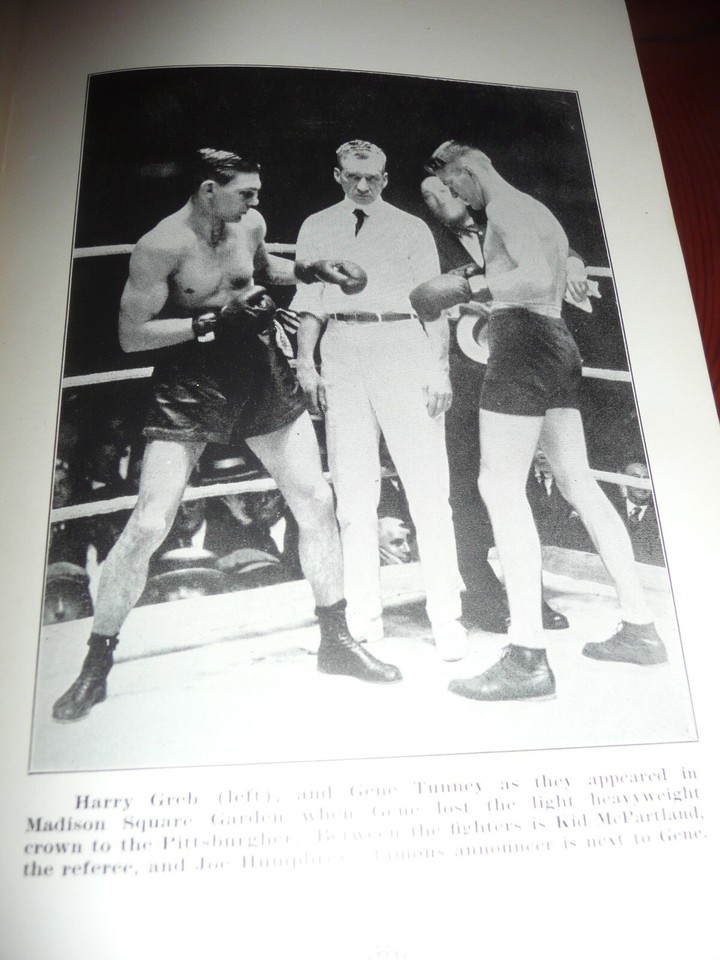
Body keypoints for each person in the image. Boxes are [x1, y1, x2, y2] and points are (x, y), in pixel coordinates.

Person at [52, 148, 401, 723]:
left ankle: (336, 641)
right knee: (147, 523)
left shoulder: (251, 225)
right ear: (209, 190)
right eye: (245, 192)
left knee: (315, 501)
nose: (255, 202)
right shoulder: (160, 245)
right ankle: (96, 661)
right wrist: (210, 322)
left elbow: (264, 271)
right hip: (191, 381)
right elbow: (131, 336)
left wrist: (313, 270)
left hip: (260, 370)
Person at [412, 141, 666, 701]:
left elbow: (528, 277)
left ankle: (527, 655)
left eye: (455, 186)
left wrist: (469, 285)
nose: (455, 197)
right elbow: (553, 262)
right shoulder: (536, 209)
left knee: (497, 486)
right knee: (579, 483)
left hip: (523, 342)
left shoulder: (504, 208)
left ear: (469, 170)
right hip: (554, 342)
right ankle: (640, 626)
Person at [291, 141, 467, 660]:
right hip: (342, 350)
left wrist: (438, 367)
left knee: (428, 488)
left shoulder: (411, 228)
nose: (362, 187)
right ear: (337, 175)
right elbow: (309, 301)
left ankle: (447, 618)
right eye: (352, 177)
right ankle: (363, 619)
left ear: (386, 178)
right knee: (353, 494)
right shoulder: (315, 226)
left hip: (401, 346)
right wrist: (306, 363)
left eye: (372, 178)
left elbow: (433, 304)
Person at [420, 175, 573, 631]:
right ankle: (482, 591)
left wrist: (578, 263)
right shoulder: (428, 242)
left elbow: (546, 257)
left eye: (443, 190)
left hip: (512, 363)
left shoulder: (502, 222)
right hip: (462, 375)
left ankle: (528, 595)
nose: (438, 201)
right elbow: (424, 299)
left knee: (518, 481)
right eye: (427, 197)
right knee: (465, 481)